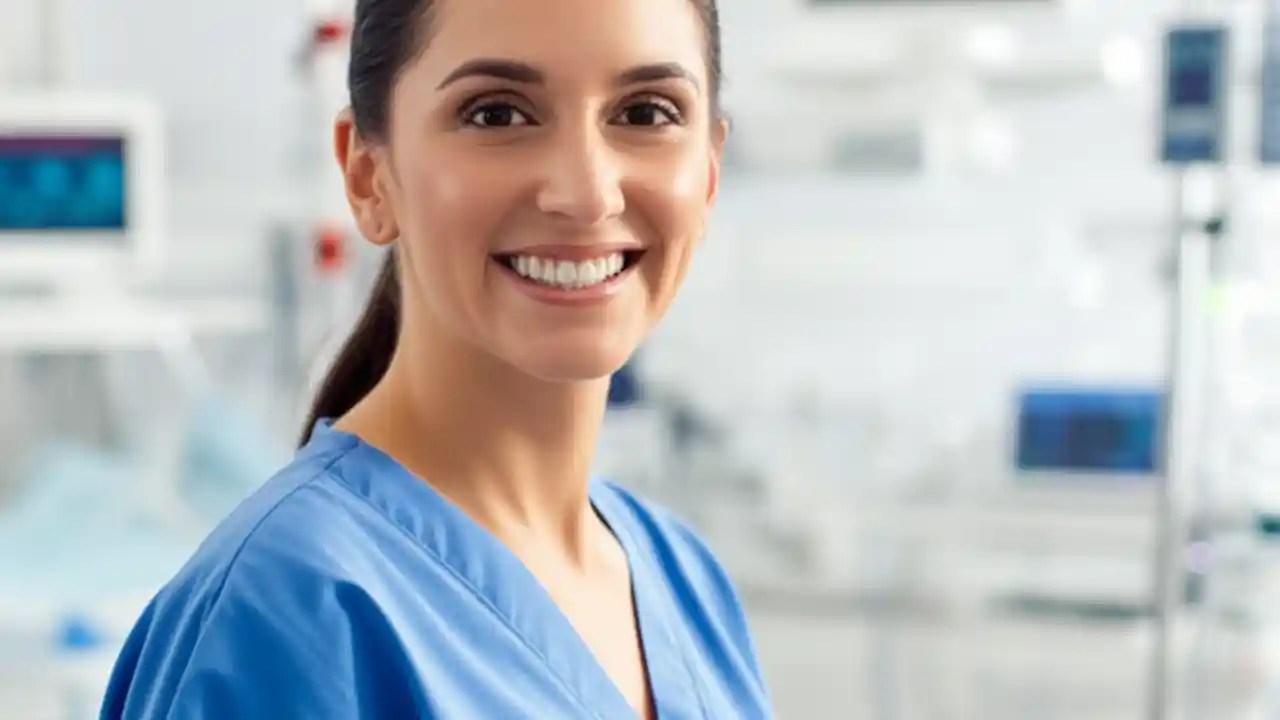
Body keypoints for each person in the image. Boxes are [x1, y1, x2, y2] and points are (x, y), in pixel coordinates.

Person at [100, 0, 772, 717]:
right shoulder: (285, 614)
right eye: (496, 115)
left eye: (645, 113)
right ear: (367, 175)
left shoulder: (684, 583)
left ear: (708, 172)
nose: (585, 193)